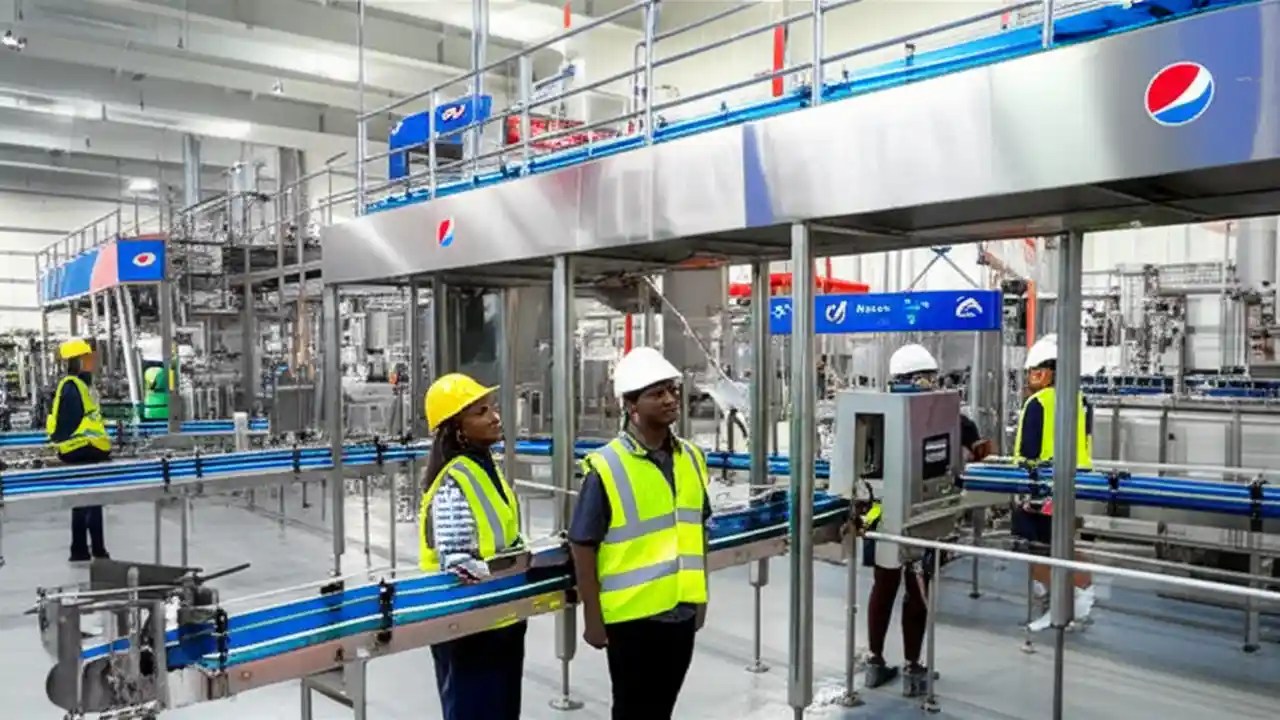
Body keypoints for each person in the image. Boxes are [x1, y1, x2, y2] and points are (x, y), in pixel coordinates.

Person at [569, 347, 713, 720]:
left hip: (680, 612)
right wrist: (593, 618)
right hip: (632, 623)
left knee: (662, 709)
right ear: (631, 405)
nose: (669, 400)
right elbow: (583, 544)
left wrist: (701, 597)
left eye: (672, 390)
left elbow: (698, 530)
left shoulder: (691, 459)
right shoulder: (607, 466)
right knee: (634, 712)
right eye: (656, 393)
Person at [860, 344, 993, 696]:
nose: (927, 385)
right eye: (922, 379)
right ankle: (910, 667)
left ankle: (878, 662)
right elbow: (975, 463)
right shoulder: (953, 418)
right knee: (912, 590)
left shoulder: (877, 415)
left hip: (888, 518)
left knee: (889, 588)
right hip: (925, 519)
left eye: (929, 379)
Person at [418, 373, 525, 720]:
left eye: (491, 408)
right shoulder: (454, 482)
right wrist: (512, 570)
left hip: (498, 616)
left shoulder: (485, 468)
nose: (494, 416)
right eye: (480, 412)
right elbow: (458, 564)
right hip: (468, 625)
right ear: (456, 428)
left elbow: (504, 537)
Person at [1012, 334, 1096, 631]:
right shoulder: (1082, 399)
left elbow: (1028, 452)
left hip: (1042, 489)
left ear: (1048, 373)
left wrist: (1020, 485)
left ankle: (1057, 603)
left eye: (1035, 372)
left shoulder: (1037, 402)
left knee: (1037, 545)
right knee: (1064, 542)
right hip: (1077, 486)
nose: (1031, 379)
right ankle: (1080, 597)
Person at [47, 338, 112, 562]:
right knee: (91, 498)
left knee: (84, 499)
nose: (92, 363)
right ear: (78, 362)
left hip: (83, 449)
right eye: (88, 359)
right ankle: (95, 550)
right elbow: (70, 424)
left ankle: (82, 549)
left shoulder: (79, 385)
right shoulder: (73, 386)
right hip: (82, 449)